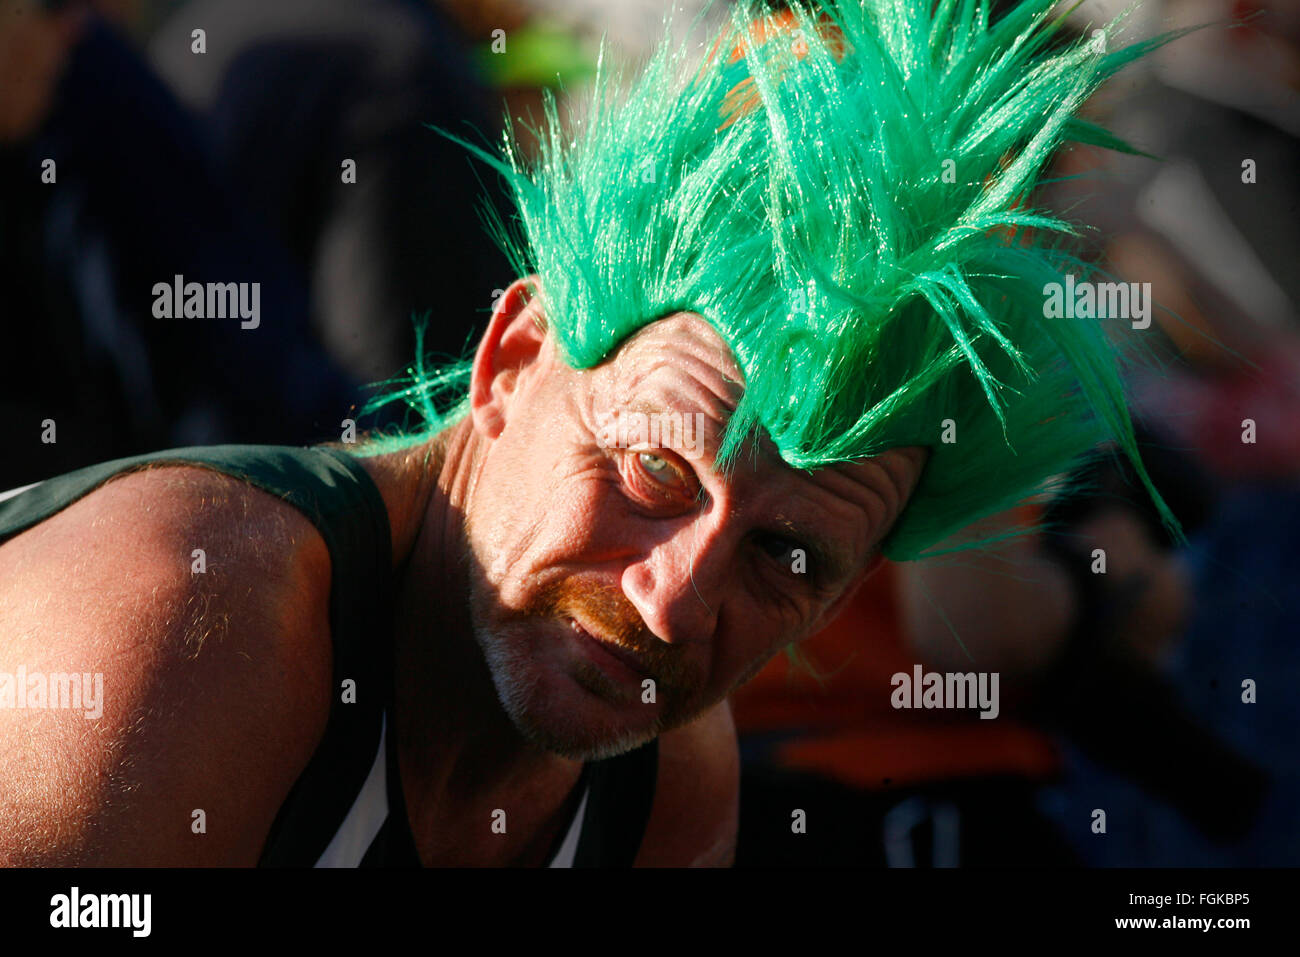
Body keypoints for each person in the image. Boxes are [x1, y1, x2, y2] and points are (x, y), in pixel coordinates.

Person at [0, 0, 1181, 866]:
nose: (673, 602)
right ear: (512, 357)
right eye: (655, 468)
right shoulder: (181, 632)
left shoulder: (665, 777)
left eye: (789, 558)